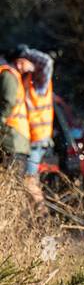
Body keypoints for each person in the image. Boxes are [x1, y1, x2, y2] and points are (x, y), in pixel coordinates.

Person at [17, 46, 54, 206]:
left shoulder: (39, 82)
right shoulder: (21, 82)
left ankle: (41, 217)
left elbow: (46, 61)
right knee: (26, 182)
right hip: (28, 139)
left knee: (29, 181)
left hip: (37, 140)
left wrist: (24, 53)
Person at [0, 51, 35, 204]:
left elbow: (7, 105)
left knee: (11, 187)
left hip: (12, 141)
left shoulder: (8, 75)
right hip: (14, 140)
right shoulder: (12, 76)